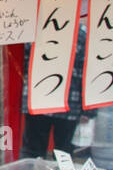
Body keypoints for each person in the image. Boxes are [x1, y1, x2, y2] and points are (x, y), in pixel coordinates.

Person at [20, 23, 95, 159]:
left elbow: (23, 63)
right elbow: (89, 73)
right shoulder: (82, 32)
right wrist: (89, 110)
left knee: (32, 150)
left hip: (38, 99)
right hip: (69, 103)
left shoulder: (34, 29)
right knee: (64, 154)